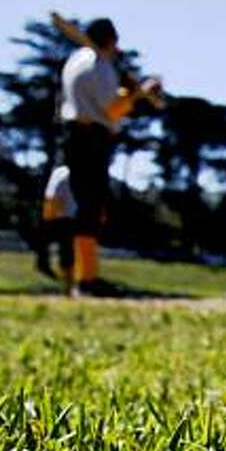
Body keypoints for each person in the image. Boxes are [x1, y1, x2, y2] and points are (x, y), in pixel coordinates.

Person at [59, 17, 159, 295]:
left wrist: (127, 89)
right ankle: (87, 280)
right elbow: (113, 109)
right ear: (112, 41)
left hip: (74, 135)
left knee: (81, 206)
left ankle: (79, 277)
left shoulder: (76, 59)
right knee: (90, 208)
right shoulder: (100, 66)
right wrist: (137, 94)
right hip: (92, 139)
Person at [35, 165, 76, 291]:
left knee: (65, 251)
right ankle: (67, 283)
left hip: (59, 216)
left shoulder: (60, 173)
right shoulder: (64, 175)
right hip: (62, 217)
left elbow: (52, 195)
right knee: (66, 251)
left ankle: (67, 283)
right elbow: (54, 196)